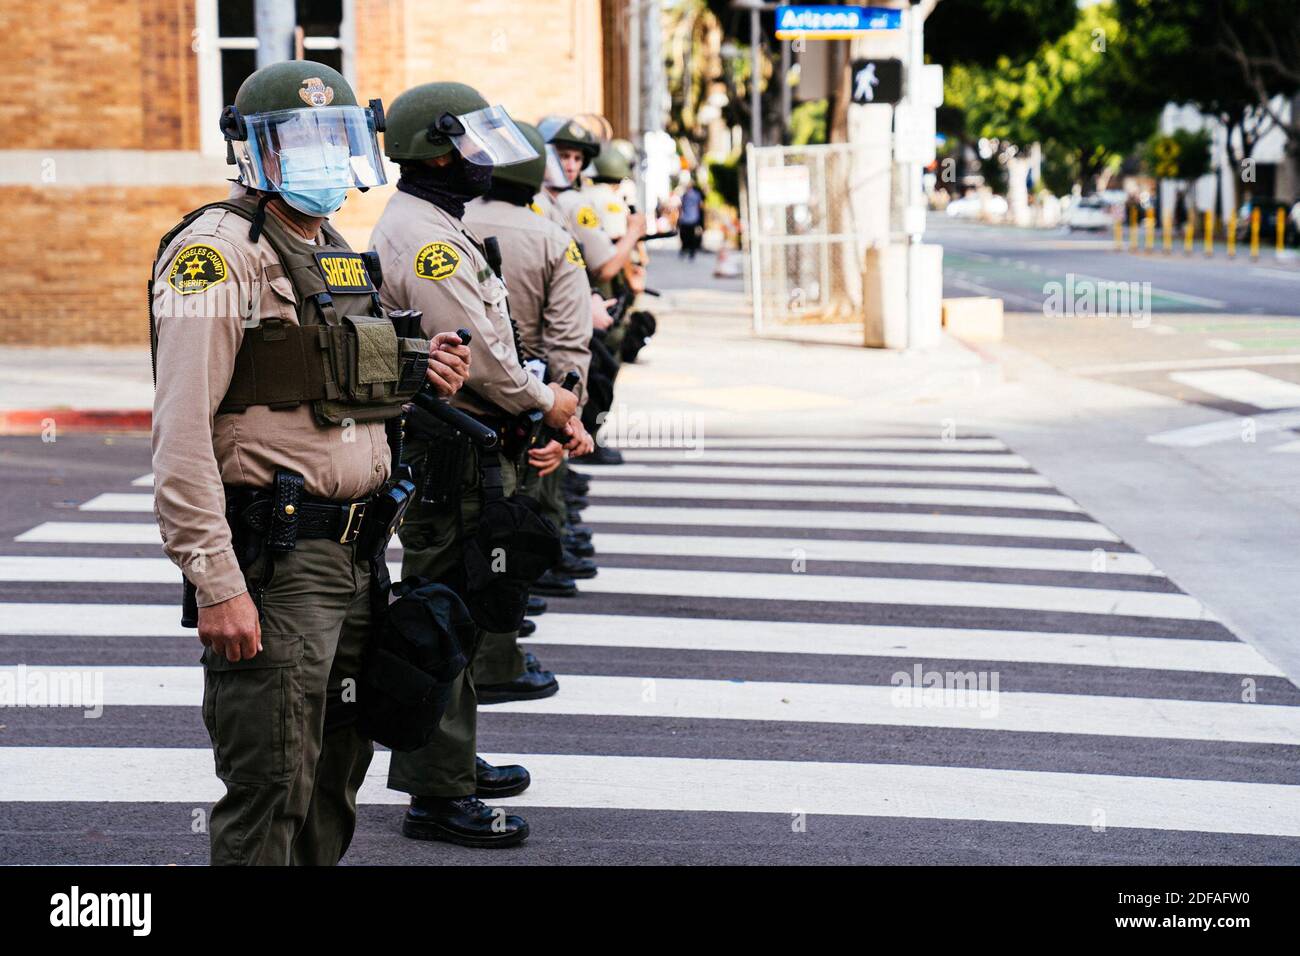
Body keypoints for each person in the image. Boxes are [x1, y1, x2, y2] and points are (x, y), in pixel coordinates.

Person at [150, 61, 471, 865]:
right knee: (274, 781)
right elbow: (181, 430)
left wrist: (416, 366)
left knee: (337, 771)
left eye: (335, 137)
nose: (323, 156)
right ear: (258, 153)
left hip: (357, 557)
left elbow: (324, 383)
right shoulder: (216, 256)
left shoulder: (327, 248)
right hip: (279, 558)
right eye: (302, 140)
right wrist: (217, 583)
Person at [370, 81, 579, 847]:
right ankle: (437, 792)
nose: (484, 159)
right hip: (455, 450)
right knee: (443, 613)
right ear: (436, 149)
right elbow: (481, 361)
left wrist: (535, 408)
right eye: (470, 144)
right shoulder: (425, 239)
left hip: (470, 443)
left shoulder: (436, 225)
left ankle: (451, 760)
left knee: (462, 607)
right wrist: (547, 404)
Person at [466, 121, 601, 603]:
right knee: (525, 506)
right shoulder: (551, 236)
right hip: (536, 395)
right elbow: (568, 340)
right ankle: (505, 640)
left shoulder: (450, 226)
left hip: (455, 401)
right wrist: (569, 418)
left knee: (466, 533)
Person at [678, 177, 705, 260]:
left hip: (686, 218)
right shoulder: (696, 195)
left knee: (686, 235)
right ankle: (690, 251)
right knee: (691, 235)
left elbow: (681, 207)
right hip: (692, 218)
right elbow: (700, 206)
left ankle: (686, 249)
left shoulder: (685, 195)